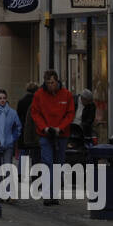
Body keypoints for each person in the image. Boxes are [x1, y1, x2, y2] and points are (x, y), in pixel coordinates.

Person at [30, 70, 74, 205]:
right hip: (45, 133)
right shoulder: (39, 95)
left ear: (57, 81)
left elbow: (70, 113)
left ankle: (54, 193)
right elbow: (35, 113)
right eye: (48, 83)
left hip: (61, 134)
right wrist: (45, 127)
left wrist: (60, 127)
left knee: (58, 163)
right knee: (47, 162)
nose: (50, 85)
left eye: (53, 82)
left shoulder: (66, 94)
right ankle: (48, 194)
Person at [16, 82, 39, 167]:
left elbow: (18, 115)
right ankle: (35, 172)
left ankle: (21, 173)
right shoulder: (37, 101)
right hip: (35, 129)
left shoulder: (21, 101)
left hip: (24, 128)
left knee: (23, 152)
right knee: (35, 153)